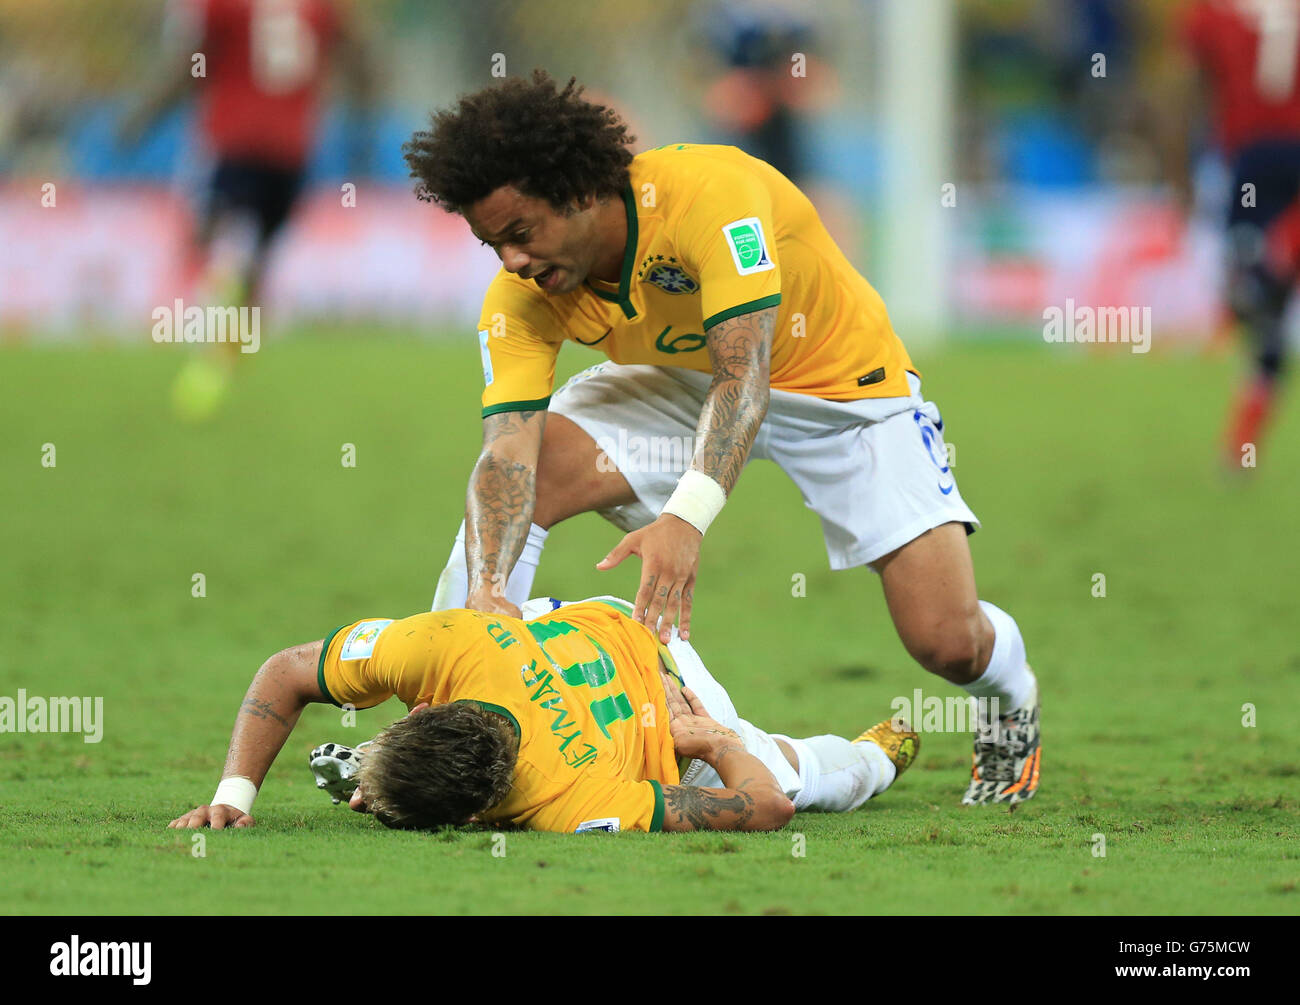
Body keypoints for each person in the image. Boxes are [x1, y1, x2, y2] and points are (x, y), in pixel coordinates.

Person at [404, 71, 1039, 805]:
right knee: (526, 489)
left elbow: (746, 374)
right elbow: (504, 452)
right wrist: (480, 596)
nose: (511, 260)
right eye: (493, 244)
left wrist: (685, 516)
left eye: (521, 233)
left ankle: (1012, 691)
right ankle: (461, 724)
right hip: (678, 380)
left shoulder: (707, 196)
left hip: (841, 388)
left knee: (947, 641)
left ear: (578, 192)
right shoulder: (521, 295)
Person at [167, 597, 919, 833]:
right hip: (579, 620)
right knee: (465, 595)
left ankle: (879, 752)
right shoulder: (444, 643)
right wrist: (231, 798)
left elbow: (765, 805)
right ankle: (380, 778)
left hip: (669, 684)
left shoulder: (571, 804)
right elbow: (285, 672)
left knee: (801, 774)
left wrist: (716, 739)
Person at [119, 0, 372, 420]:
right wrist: (361, 126)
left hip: (232, 140)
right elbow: (361, 56)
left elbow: (191, 64)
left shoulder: (222, 4)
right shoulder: (321, 6)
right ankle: (221, 362)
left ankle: (204, 338)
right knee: (254, 259)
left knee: (210, 235)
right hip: (292, 149)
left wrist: (143, 117)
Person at [1167, 0, 1300, 466]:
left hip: (1253, 161)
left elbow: (1185, 85)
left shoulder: (1212, 11)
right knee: (1268, 307)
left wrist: (1179, 169)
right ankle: (1242, 443)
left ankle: (1258, 271)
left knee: (1254, 299)